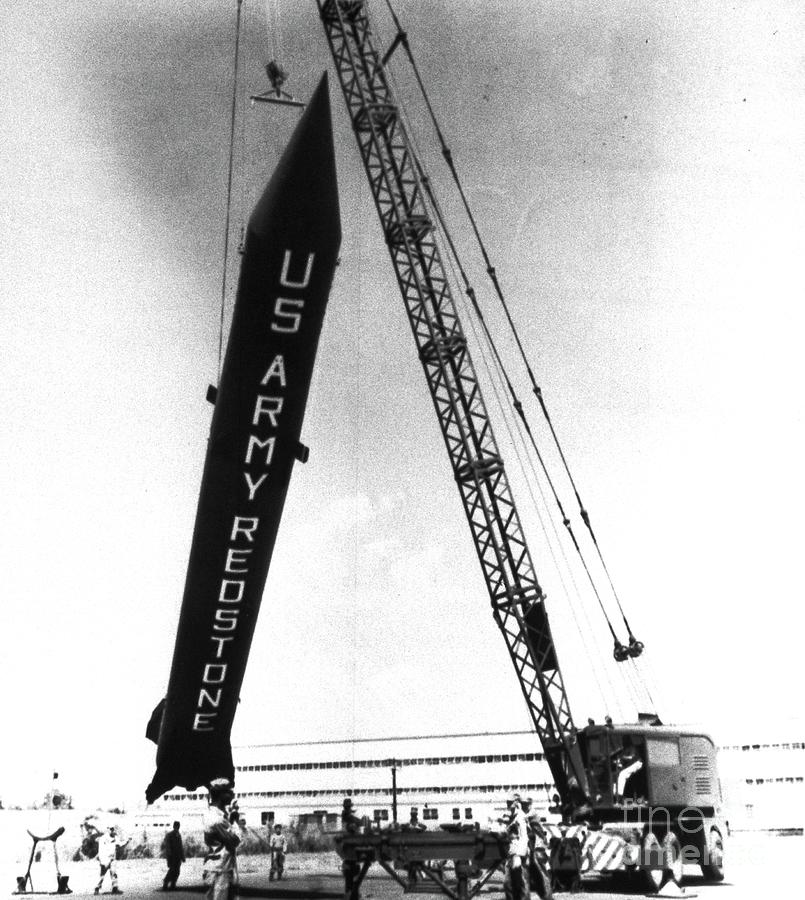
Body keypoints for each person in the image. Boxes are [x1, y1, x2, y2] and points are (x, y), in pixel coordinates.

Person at [202, 778, 241, 900]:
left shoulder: (217, 814)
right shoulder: (216, 818)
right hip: (220, 870)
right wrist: (234, 822)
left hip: (223, 866)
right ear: (220, 795)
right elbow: (234, 841)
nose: (232, 795)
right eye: (228, 792)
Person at [94, 825, 129, 895]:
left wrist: (126, 841)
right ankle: (97, 888)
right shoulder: (103, 838)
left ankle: (115, 888)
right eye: (111, 829)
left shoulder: (115, 837)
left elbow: (119, 844)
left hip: (112, 858)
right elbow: (100, 850)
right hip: (105, 859)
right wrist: (102, 860)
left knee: (114, 873)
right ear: (108, 829)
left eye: (114, 829)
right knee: (102, 875)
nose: (113, 831)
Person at [341, 799, 362, 900]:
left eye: (349, 807)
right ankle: (351, 895)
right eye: (347, 807)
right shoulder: (346, 818)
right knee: (350, 880)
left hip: (353, 857)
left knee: (354, 880)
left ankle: (354, 894)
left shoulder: (349, 818)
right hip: (349, 858)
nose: (348, 809)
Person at [162, 822, 185, 891]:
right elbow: (167, 846)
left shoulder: (178, 835)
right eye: (176, 826)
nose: (177, 828)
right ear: (174, 826)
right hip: (172, 856)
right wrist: (169, 856)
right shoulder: (169, 835)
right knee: (172, 870)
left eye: (178, 826)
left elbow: (180, 846)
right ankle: (165, 883)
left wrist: (182, 856)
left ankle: (173, 884)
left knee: (177, 871)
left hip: (178, 856)